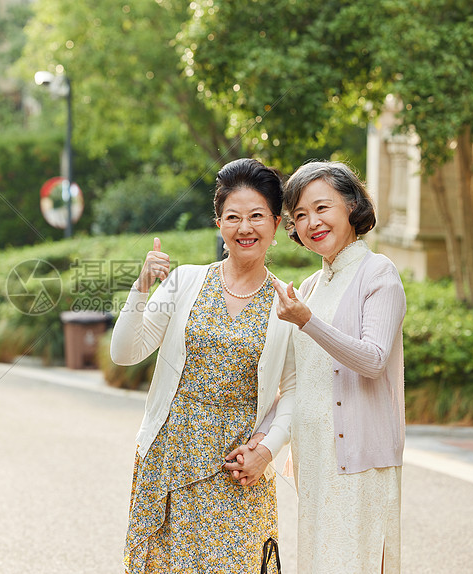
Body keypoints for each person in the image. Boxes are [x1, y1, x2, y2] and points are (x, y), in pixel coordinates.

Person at [110, 158, 296, 573]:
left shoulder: (287, 302)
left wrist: (267, 450)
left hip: (239, 467)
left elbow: (295, 390)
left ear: (277, 222)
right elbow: (124, 352)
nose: (244, 228)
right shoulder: (184, 282)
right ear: (218, 223)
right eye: (233, 217)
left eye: (256, 216)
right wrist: (141, 286)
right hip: (170, 458)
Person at [272, 160, 406, 573]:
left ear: (351, 206)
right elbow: (292, 383)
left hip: (360, 463)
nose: (312, 222)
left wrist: (308, 321)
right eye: (300, 215)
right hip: (314, 463)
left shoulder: (378, 272)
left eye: (322, 208)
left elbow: (373, 359)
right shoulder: (311, 287)